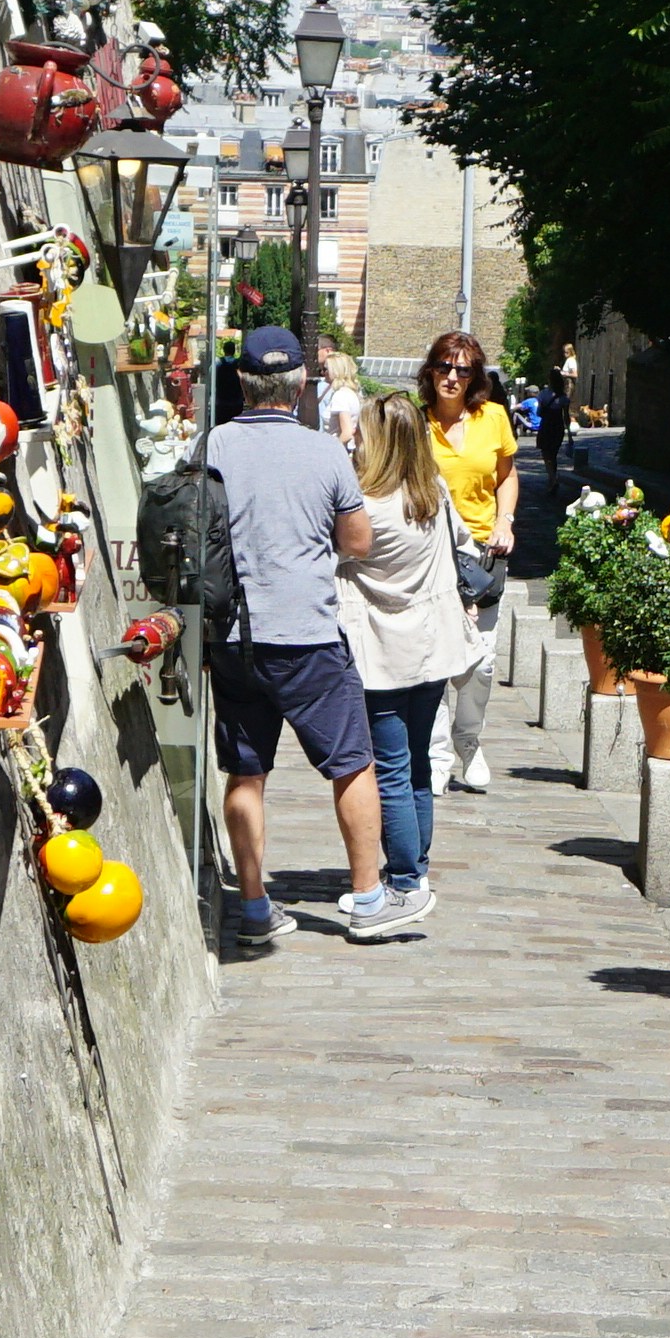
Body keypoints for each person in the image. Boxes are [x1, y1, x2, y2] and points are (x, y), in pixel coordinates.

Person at [195, 327, 414, 951]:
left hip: (234, 636)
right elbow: (357, 543)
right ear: (300, 386)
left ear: (242, 382)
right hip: (308, 636)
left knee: (245, 773)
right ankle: (369, 899)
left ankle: (257, 907)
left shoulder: (211, 444)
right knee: (352, 765)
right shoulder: (325, 455)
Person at [336, 387, 484, 922]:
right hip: (432, 646)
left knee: (391, 771)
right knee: (418, 763)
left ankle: (403, 880)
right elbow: (464, 542)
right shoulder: (434, 493)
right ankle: (416, 865)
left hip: (382, 650)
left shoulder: (365, 506)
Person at [412, 332, 518, 782]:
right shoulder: (416, 424)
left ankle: (468, 739)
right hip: (430, 552)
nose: (451, 377)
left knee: (481, 659)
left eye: (462, 370)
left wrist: (505, 522)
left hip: (482, 552)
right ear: (430, 371)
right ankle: (436, 756)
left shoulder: (492, 417)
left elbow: (506, 478)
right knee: (433, 657)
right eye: (443, 367)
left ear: (475, 376)